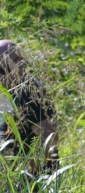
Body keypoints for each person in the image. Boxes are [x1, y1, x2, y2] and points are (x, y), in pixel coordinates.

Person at [0, 40, 58, 179]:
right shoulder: (6, 92)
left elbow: (49, 139)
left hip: (26, 178)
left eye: (4, 69)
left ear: (20, 62)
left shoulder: (30, 93)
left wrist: (44, 177)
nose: (1, 75)